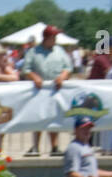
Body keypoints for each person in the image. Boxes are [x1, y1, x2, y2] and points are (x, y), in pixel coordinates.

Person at [21, 25, 73, 156]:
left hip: (55, 89)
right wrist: (34, 76)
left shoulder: (60, 50)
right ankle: (35, 147)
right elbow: (26, 68)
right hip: (39, 90)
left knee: (54, 117)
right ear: (47, 37)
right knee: (38, 118)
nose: (55, 39)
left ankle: (54, 147)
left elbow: (68, 67)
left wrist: (63, 76)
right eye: (54, 37)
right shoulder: (33, 51)